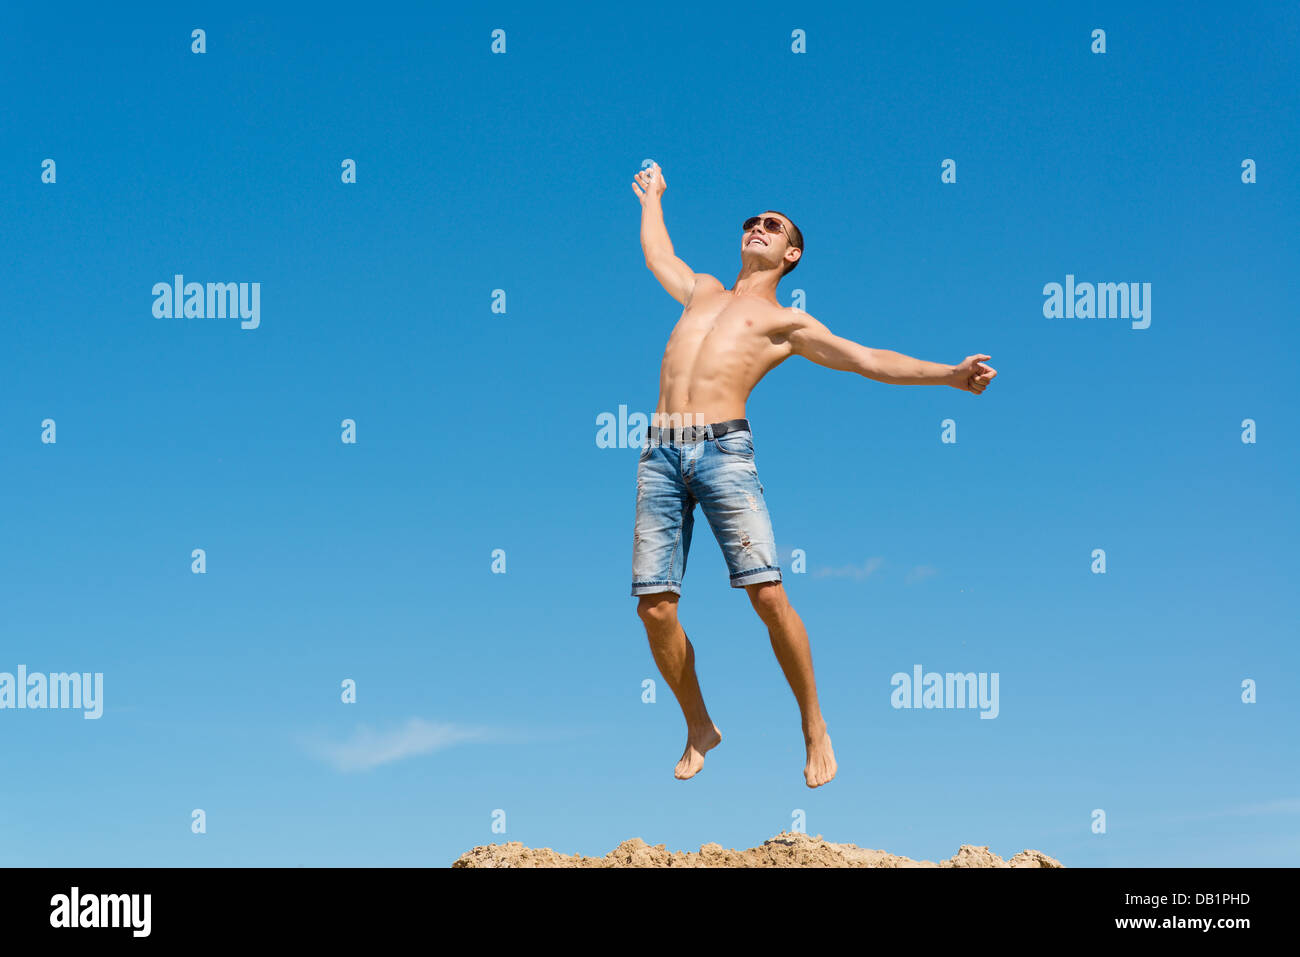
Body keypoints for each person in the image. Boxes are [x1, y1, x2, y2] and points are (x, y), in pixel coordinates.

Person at [629, 162, 997, 787]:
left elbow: (868, 360)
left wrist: (952, 375)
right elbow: (659, 254)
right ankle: (699, 725)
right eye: (751, 221)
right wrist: (653, 200)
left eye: (772, 225)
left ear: (791, 252)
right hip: (660, 454)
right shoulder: (702, 291)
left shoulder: (787, 323)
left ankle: (813, 724)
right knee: (654, 607)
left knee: (766, 594)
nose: (758, 227)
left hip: (724, 453)